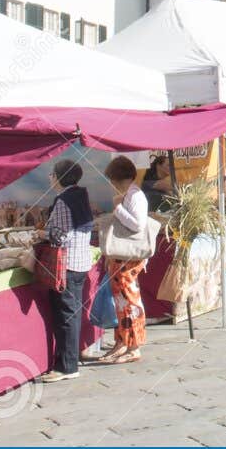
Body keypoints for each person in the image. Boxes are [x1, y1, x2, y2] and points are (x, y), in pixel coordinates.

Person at [41, 159, 94, 383]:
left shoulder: (63, 200)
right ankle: (68, 361)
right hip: (81, 261)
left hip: (68, 264)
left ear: (60, 177)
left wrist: (42, 234)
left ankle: (67, 366)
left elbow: (61, 236)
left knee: (66, 317)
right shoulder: (81, 195)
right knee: (71, 315)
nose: (50, 178)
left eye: (52, 174)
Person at [99, 156, 149, 364]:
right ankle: (122, 341)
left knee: (130, 301)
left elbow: (137, 224)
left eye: (112, 179)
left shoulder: (135, 196)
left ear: (119, 179)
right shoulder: (128, 194)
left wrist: (118, 209)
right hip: (121, 258)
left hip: (129, 258)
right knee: (120, 303)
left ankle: (134, 345)